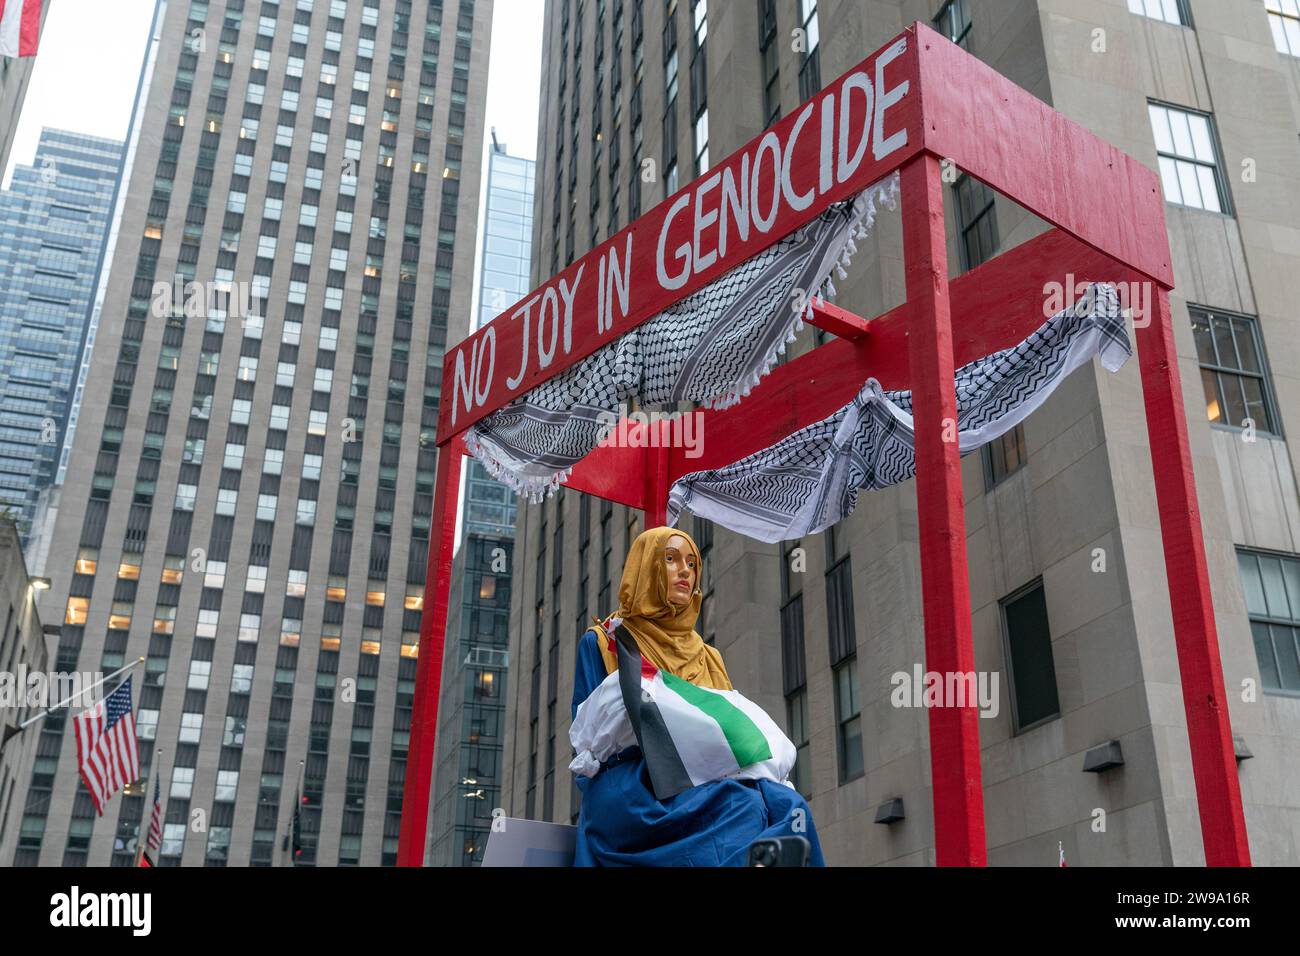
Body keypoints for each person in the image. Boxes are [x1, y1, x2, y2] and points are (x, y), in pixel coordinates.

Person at [570, 524, 826, 866]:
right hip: (630, 783)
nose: (685, 572)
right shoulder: (603, 642)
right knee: (742, 805)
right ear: (647, 567)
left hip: (707, 776)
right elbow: (585, 751)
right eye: (672, 559)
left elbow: (726, 736)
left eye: (692, 563)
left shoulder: (708, 656)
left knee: (789, 806)